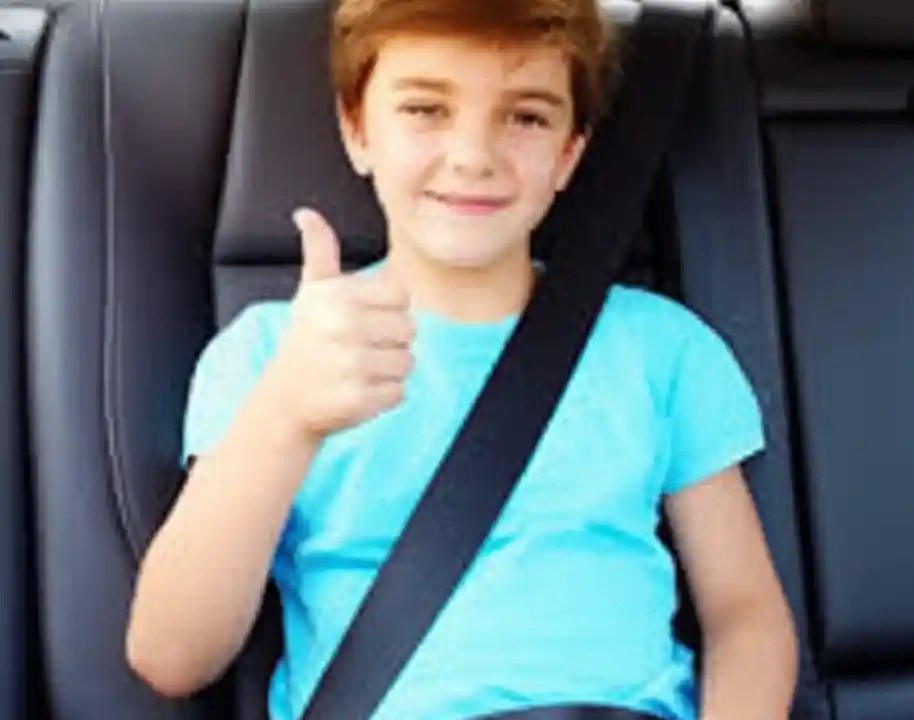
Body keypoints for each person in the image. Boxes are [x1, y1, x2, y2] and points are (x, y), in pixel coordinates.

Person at [125, 0, 797, 717]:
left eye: (527, 117)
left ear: (569, 153)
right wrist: (286, 418)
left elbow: (745, 612)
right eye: (425, 110)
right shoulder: (272, 354)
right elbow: (172, 656)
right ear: (357, 129)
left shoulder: (660, 347)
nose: (473, 155)